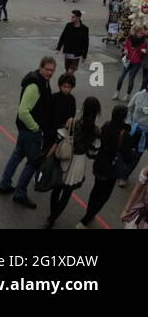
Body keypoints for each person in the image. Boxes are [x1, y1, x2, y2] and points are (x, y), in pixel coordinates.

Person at [0, 56, 56, 209]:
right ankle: (20, 193)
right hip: (30, 131)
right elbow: (23, 111)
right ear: (41, 67)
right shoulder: (35, 86)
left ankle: (5, 184)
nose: (50, 73)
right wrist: (35, 127)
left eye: (52, 70)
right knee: (33, 162)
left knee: (17, 155)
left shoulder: (41, 80)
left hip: (25, 129)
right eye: (47, 69)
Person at [45, 97, 101, 229]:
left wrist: (50, 154)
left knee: (56, 190)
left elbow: (59, 138)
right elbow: (92, 153)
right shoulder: (96, 130)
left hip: (65, 158)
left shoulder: (72, 122)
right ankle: (53, 218)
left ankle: (51, 217)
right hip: (78, 163)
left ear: (84, 108)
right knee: (66, 194)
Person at [78, 103, 135, 228]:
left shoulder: (106, 125)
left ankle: (89, 211)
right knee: (104, 196)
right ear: (124, 117)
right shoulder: (125, 134)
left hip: (99, 163)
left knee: (96, 190)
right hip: (111, 169)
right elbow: (129, 158)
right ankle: (86, 218)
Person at [113, 26, 146, 101]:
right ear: (136, 33)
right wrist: (126, 50)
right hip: (128, 60)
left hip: (136, 63)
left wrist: (140, 50)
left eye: (142, 33)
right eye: (140, 33)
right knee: (121, 77)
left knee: (131, 79)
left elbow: (142, 54)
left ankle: (127, 95)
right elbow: (126, 46)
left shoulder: (143, 41)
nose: (142, 34)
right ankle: (117, 93)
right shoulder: (130, 38)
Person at [55, 10, 89, 75]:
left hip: (76, 55)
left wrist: (84, 56)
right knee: (67, 71)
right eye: (71, 17)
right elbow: (63, 37)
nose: (71, 18)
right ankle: (68, 80)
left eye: (73, 17)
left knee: (71, 72)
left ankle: (68, 79)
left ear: (78, 18)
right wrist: (58, 48)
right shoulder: (68, 25)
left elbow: (86, 43)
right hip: (68, 53)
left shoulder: (84, 29)